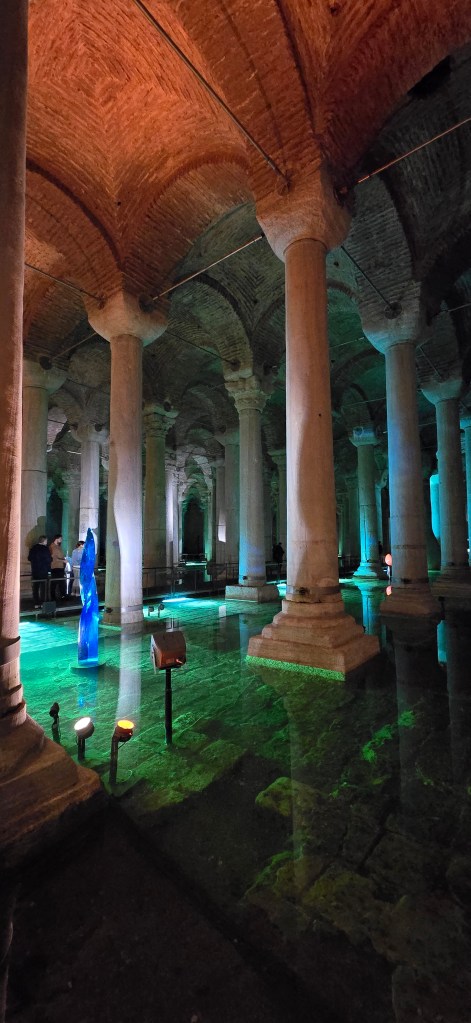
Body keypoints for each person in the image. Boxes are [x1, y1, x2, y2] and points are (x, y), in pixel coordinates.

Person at [27, 535, 52, 608]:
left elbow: (29, 558)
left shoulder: (33, 548)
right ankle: (43, 603)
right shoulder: (45, 549)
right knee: (44, 588)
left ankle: (36, 603)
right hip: (43, 571)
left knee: (35, 587)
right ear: (44, 541)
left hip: (35, 571)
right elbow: (49, 560)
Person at [49, 534, 67, 601]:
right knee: (55, 582)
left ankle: (62, 595)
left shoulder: (58, 546)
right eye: (60, 538)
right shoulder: (53, 547)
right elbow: (54, 558)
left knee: (61, 582)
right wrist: (63, 560)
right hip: (56, 567)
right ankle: (54, 597)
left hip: (60, 566)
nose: (61, 540)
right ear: (57, 539)